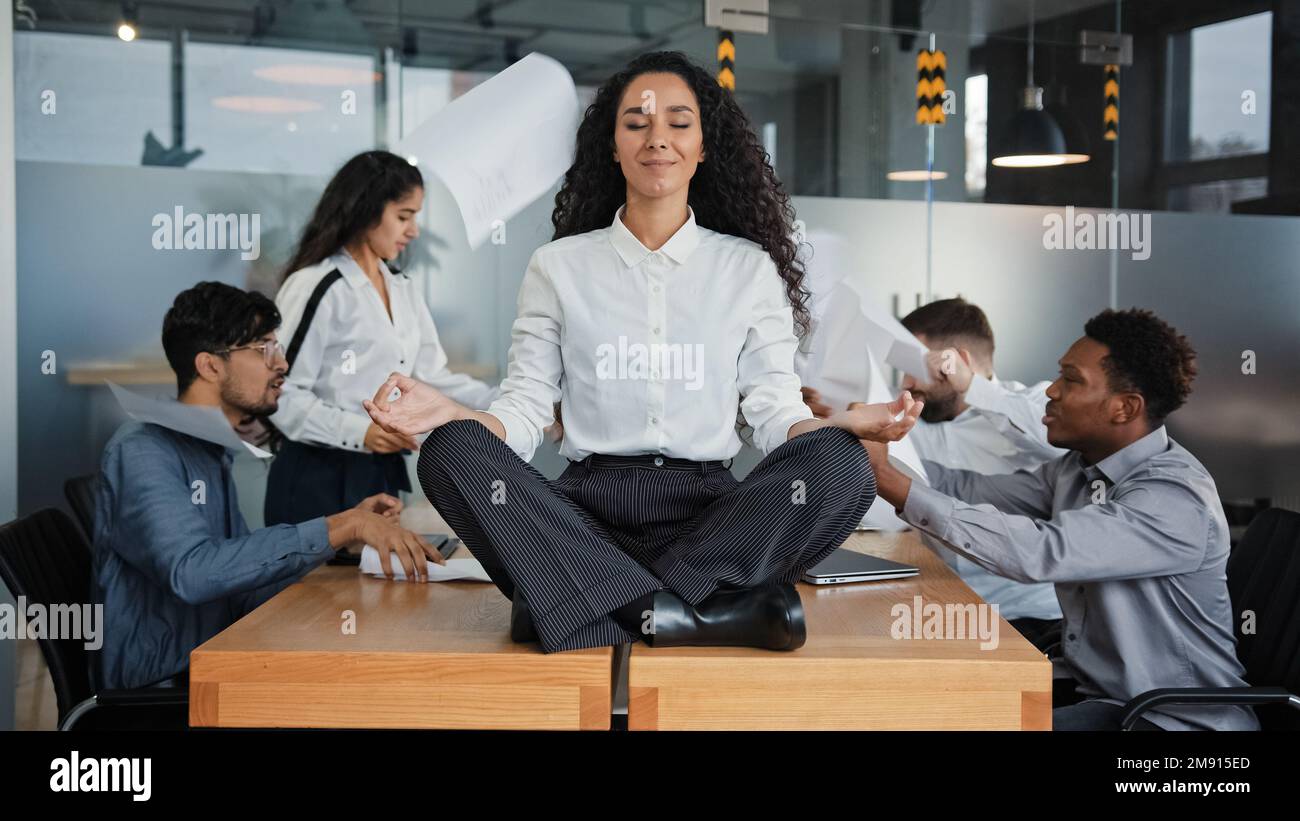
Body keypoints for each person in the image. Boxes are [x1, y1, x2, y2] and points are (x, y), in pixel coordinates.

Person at [363, 51, 922, 655]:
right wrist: (448, 414)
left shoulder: (747, 270)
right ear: (613, 145)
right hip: (582, 521)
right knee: (452, 452)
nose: (658, 139)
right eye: (637, 123)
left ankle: (582, 606)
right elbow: (522, 413)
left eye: (679, 123)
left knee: (842, 464)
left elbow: (775, 416)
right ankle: (692, 616)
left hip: (711, 520)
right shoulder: (558, 267)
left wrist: (840, 424)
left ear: (705, 147)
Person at [861, 308, 1257, 731]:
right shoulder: (1077, 469)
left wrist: (893, 482)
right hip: (1098, 690)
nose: (1051, 390)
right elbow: (966, 489)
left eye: (1071, 380)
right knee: (931, 704)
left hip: (1170, 717)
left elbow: (1040, 552)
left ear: (1125, 407)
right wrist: (874, 455)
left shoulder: (1173, 499)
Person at [92, 282, 442, 691]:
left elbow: (235, 585)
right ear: (210, 366)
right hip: (163, 689)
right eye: (264, 350)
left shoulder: (207, 449)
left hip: (211, 662)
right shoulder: (143, 451)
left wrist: (336, 543)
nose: (283, 365)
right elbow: (194, 573)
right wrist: (340, 526)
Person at [265, 150, 497, 527]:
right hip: (319, 477)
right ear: (366, 210)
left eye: (415, 217)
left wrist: (507, 401)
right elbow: (280, 394)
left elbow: (430, 378)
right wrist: (362, 432)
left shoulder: (402, 287)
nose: (414, 230)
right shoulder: (318, 285)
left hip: (381, 472)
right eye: (404, 216)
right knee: (325, 589)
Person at [897, 297, 1066, 648]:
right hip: (945, 607)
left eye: (912, 367)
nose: (906, 382)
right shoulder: (916, 417)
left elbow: (1059, 444)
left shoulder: (1036, 405)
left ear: (956, 361)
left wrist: (973, 387)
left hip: (1032, 617)